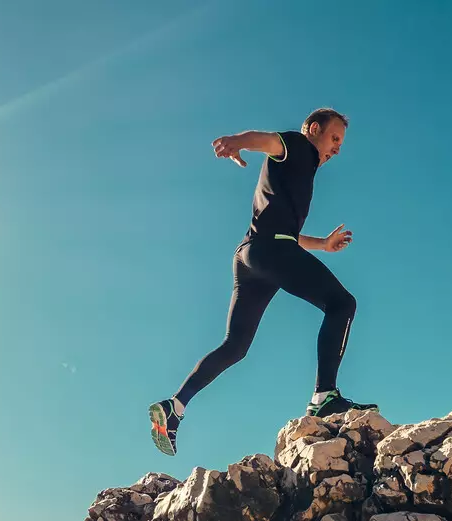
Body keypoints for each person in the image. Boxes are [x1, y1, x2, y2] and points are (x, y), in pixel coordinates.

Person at [148, 108, 377, 457]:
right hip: (270, 250)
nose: (337, 149)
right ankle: (324, 397)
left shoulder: (298, 171)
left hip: (252, 254)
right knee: (342, 304)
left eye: (341, 144)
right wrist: (237, 142)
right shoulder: (299, 145)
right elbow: (268, 140)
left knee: (236, 346)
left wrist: (322, 245)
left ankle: (174, 407)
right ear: (314, 129)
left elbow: (288, 234)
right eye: (334, 139)